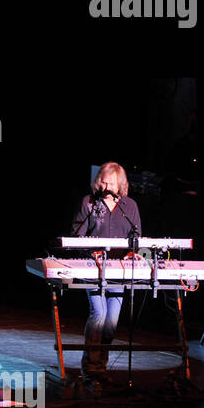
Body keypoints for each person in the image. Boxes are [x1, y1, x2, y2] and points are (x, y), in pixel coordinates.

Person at [69, 161, 144, 386]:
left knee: (111, 321)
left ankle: (100, 365)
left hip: (119, 270)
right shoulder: (89, 203)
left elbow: (137, 237)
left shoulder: (130, 206)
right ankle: (91, 368)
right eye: (103, 181)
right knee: (99, 315)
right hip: (94, 268)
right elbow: (76, 235)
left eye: (110, 183)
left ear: (120, 185)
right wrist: (90, 250)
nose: (106, 186)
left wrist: (134, 253)